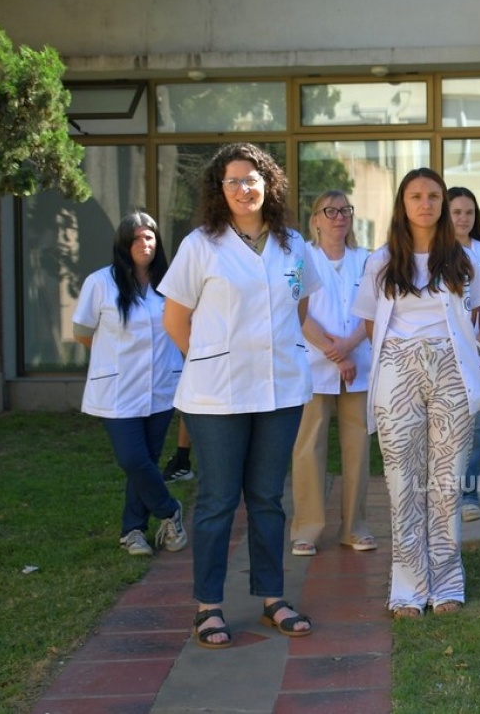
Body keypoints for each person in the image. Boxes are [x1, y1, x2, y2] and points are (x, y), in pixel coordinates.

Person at [160, 143, 319, 648]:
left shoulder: (293, 244)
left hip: (280, 389)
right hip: (216, 396)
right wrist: (210, 359)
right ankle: (209, 606)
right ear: (219, 190)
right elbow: (175, 320)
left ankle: (272, 597)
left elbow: (301, 306)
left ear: (268, 184)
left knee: (268, 499)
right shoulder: (200, 246)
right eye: (232, 181)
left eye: (252, 179)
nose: (243, 188)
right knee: (217, 500)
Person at [352, 168, 480, 619]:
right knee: (404, 481)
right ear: (403, 203)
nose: (426, 204)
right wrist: (402, 357)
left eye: (434, 196)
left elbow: (478, 318)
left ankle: (447, 583)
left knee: (447, 482)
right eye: (416, 196)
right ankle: (408, 589)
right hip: (397, 368)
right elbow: (371, 324)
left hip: (451, 368)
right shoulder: (381, 260)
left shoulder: (464, 260)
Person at [73, 211, 188, 558]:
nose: (145, 244)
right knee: (132, 458)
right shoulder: (100, 283)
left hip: (160, 387)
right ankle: (169, 510)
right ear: (124, 244)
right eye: (137, 238)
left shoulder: (171, 283)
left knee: (147, 462)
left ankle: (133, 531)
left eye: (150, 237)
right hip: (118, 389)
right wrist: (114, 359)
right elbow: (82, 332)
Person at [289, 190, 375, 557]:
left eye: (345, 211)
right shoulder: (301, 258)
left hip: (359, 363)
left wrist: (348, 346)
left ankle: (354, 527)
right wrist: (333, 352)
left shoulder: (367, 260)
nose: (339, 217)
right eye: (331, 211)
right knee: (309, 447)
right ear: (316, 219)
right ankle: (306, 529)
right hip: (314, 365)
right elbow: (297, 311)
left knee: (357, 448)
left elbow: (372, 312)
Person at [448, 186, 480, 523]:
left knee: (476, 429)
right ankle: (438, 495)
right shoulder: (433, 254)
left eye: (469, 212)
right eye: (456, 212)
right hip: (442, 355)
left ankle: (468, 494)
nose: (464, 218)